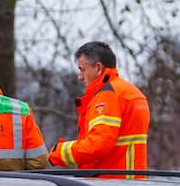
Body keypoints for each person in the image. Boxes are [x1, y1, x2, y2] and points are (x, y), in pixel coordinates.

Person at [49, 41, 150, 173]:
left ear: (98, 68)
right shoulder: (132, 93)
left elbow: (98, 145)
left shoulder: (107, 94)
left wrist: (60, 152)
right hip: (133, 183)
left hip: (109, 184)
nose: (80, 77)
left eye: (82, 69)